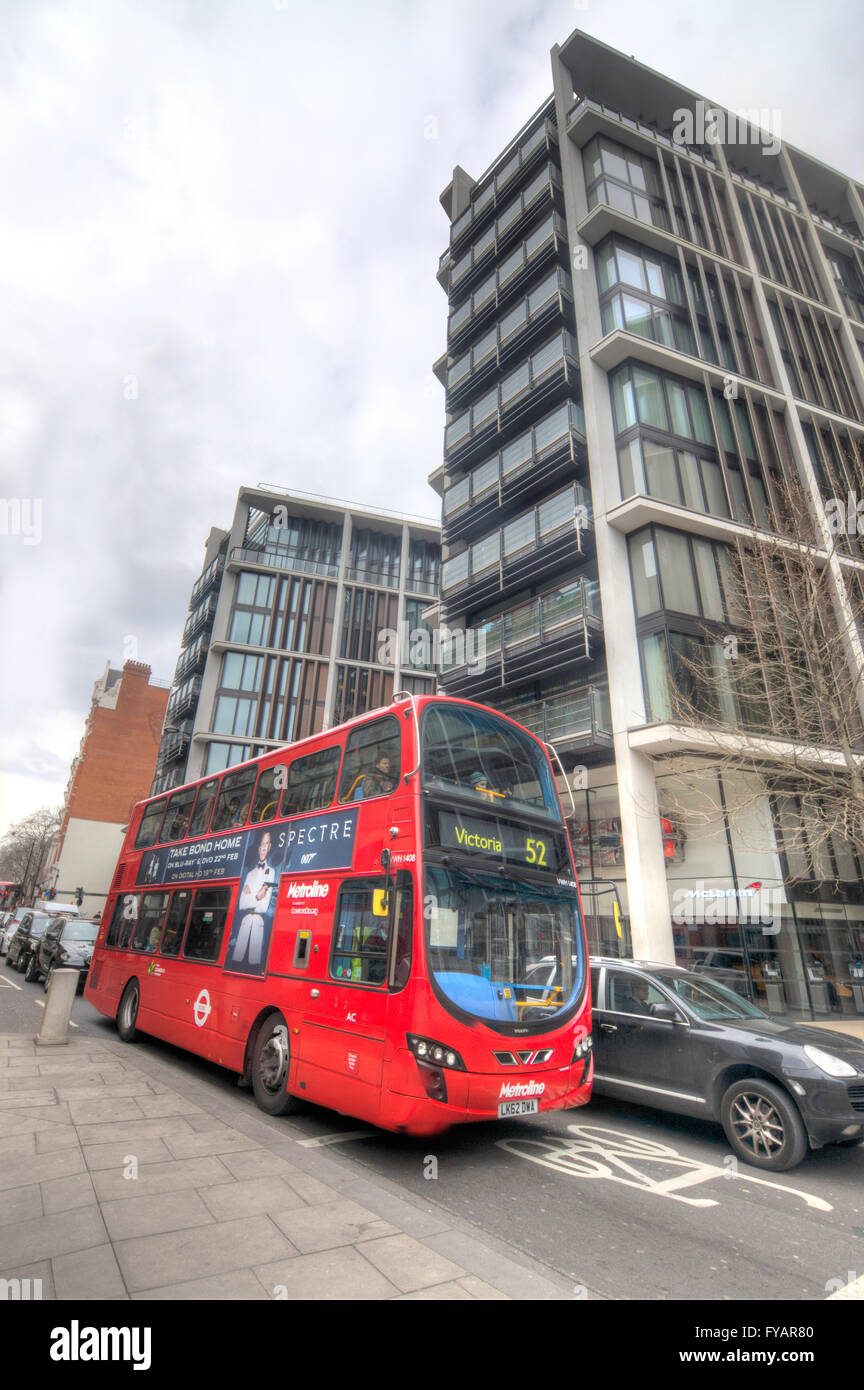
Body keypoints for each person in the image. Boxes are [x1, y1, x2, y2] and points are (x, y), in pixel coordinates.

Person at [232, 831, 276, 968]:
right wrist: (256, 896)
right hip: (245, 921)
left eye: (266, 844)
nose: (263, 847)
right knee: (237, 961)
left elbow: (264, 904)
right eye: (262, 844)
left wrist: (252, 896)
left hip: (258, 921)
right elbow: (242, 903)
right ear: (258, 848)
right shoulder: (249, 874)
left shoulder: (272, 872)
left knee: (253, 963)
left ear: (269, 847)